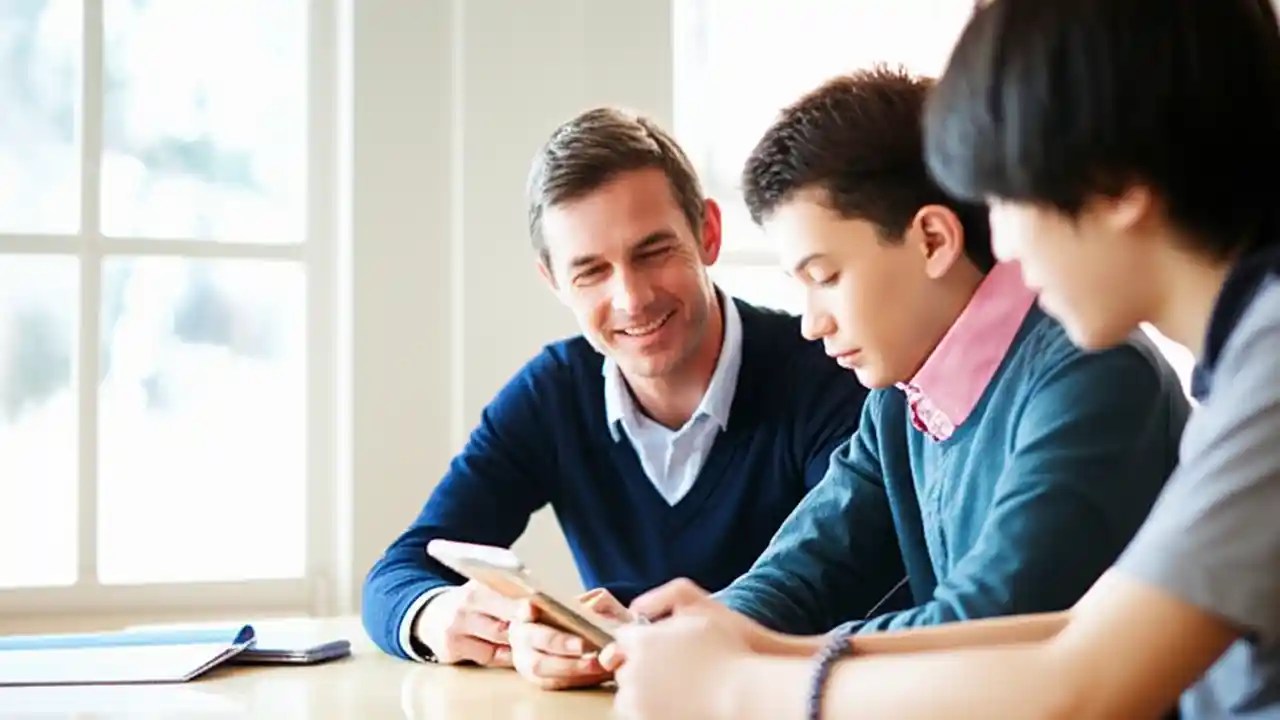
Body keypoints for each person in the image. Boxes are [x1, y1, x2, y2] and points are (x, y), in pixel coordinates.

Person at [603, 1, 1280, 719]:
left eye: (1007, 199)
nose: (1005, 247)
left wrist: (742, 685)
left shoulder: (1240, 366)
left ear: (1118, 186)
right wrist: (717, 645)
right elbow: (1080, 634)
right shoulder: (1245, 367)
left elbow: (1077, 680)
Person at [360, 107, 868, 690]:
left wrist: (650, 638)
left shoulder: (827, 372)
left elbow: (837, 581)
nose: (631, 298)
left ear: (708, 233)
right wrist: (447, 617)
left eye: (652, 252)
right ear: (553, 281)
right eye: (591, 272)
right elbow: (399, 571)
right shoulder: (551, 394)